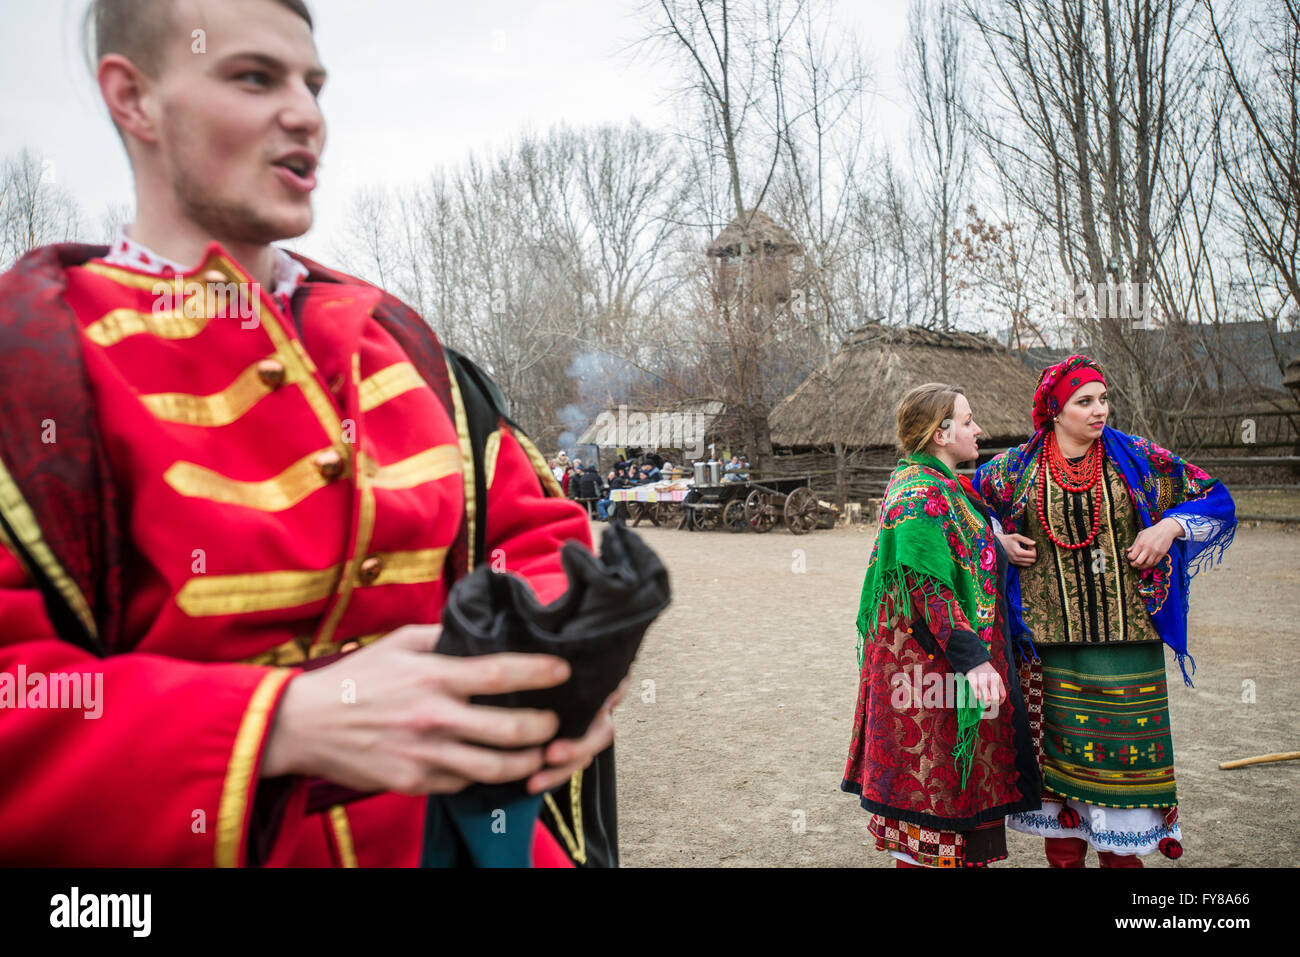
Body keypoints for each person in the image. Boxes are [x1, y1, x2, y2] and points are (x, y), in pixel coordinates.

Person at [0, 0, 620, 867]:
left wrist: (553, 659)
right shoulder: (30, 368)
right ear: (132, 98)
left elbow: (535, 540)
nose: (305, 114)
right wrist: (279, 724)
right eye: (255, 78)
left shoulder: (406, 347)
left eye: (313, 85)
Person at [976, 355, 1236, 867]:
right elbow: (962, 512)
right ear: (1054, 411)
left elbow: (1214, 498)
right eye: (1085, 401)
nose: (1100, 410)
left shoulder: (1136, 458)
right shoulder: (1015, 470)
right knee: (1060, 792)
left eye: (1104, 399)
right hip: (1046, 654)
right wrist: (997, 539)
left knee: (1125, 787)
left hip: (1127, 649)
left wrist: (1169, 527)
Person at [843, 383, 1040, 867]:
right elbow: (928, 585)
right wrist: (975, 662)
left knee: (957, 798)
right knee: (933, 796)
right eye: (969, 421)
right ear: (940, 434)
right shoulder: (916, 492)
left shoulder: (943, 485)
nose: (978, 430)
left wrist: (995, 542)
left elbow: (955, 542)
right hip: (931, 667)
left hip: (946, 662)